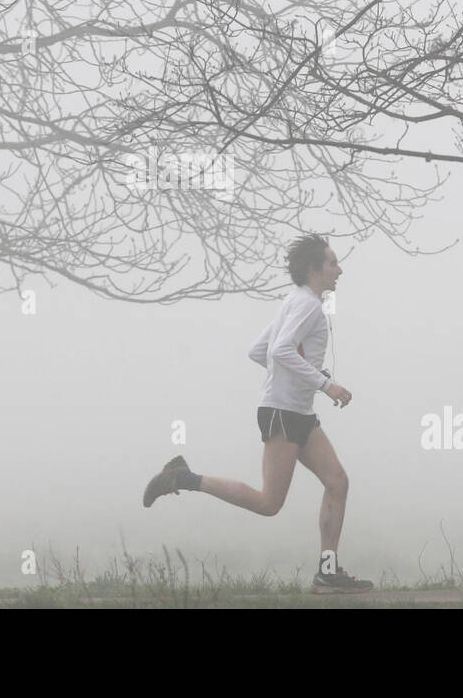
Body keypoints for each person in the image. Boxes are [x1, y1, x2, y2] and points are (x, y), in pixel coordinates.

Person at [141, 234, 374, 594]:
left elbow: (258, 351)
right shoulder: (308, 305)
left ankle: (328, 572)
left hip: (296, 411)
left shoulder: (296, 300)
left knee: (337, 482)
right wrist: (326, 385)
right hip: (283, 413)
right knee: (269, 503)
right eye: (332, 263)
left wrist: (309, 376)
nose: (339, 270)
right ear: (314, 269)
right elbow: (279, 350)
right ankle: (182, 478)